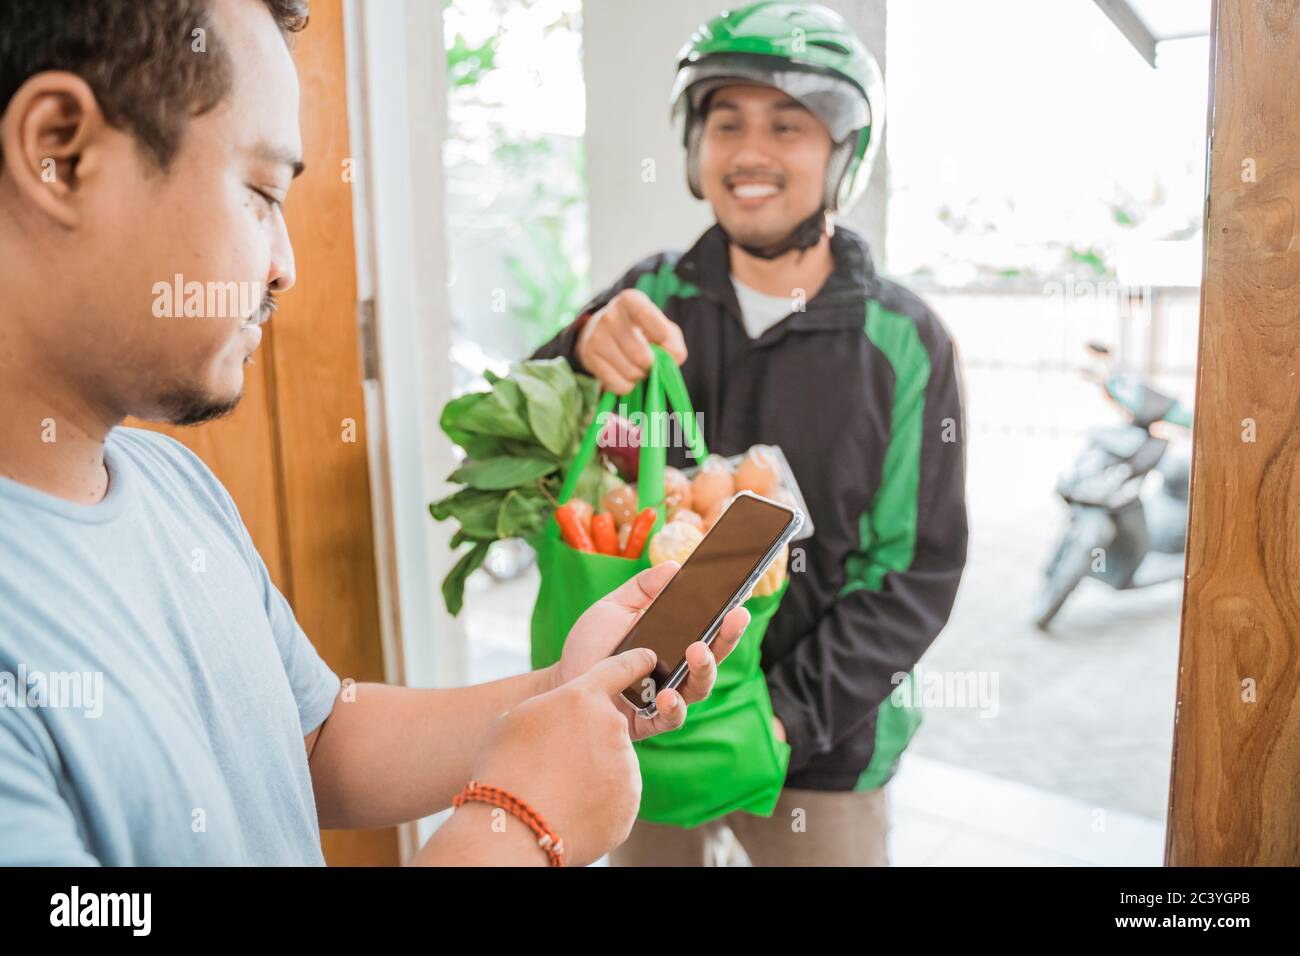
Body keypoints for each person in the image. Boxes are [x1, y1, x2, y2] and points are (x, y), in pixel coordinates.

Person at [0, 0, 747, 868]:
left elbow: (315, 741)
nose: (285, 263)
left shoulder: (170, 482)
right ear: (60, 151)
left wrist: (563, 690)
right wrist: (514, 828)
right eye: (260, 193)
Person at [534, 0, 969, 866]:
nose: (752, 152)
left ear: (842, 153)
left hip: (822, 749)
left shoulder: (903, 341)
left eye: (789, 125)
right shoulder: (648, 298)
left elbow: (916, 570)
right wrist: (580, 352)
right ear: (697, 149)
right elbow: (529, 447)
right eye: (726, 121)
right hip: (652, 720)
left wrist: (782, 719)